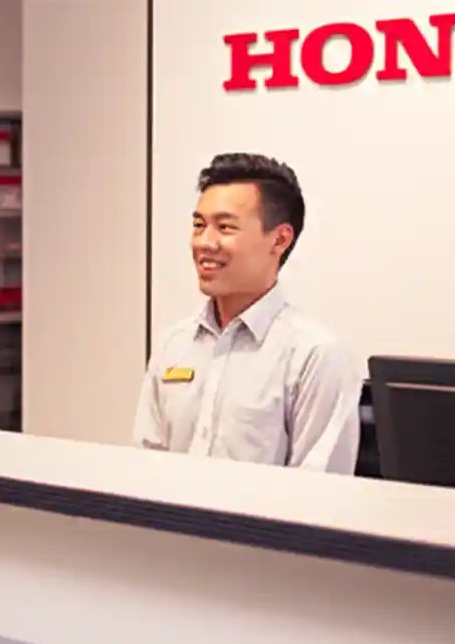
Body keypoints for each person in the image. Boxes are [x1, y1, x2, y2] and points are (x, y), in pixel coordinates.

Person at [133, 153, 362, 474]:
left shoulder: (316, 354)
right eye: (199, 225)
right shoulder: (173, 343)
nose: (204, 242)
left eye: (225, 227)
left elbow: (319, 493)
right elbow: (146, 463)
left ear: (279, 239)